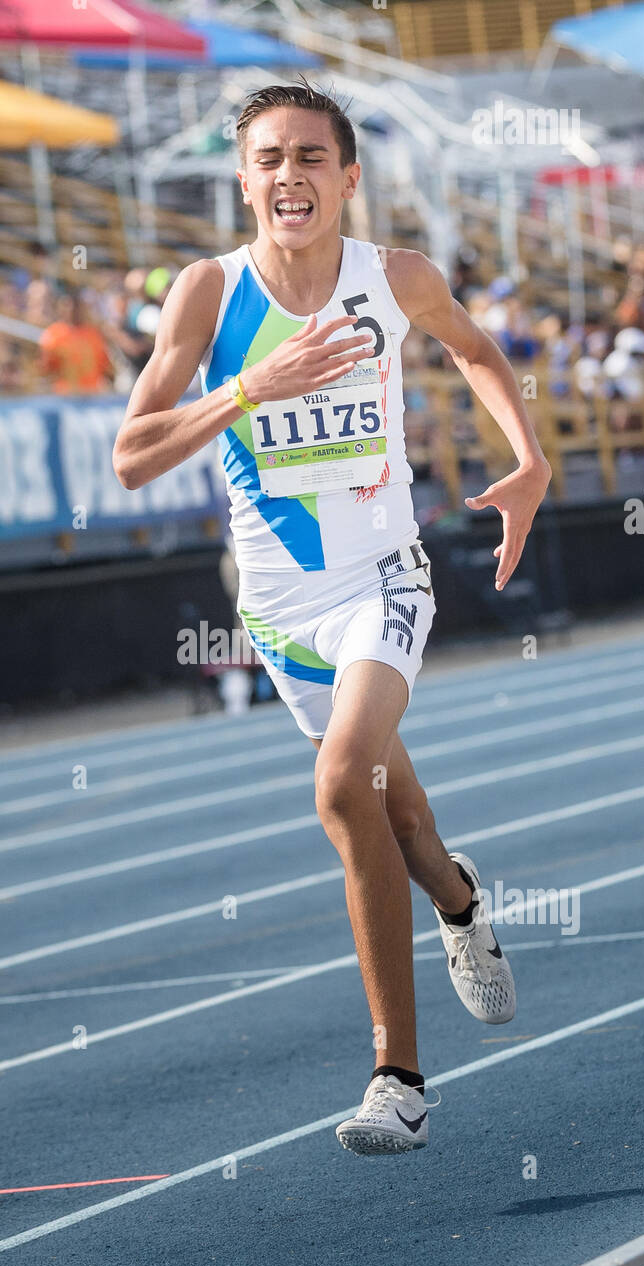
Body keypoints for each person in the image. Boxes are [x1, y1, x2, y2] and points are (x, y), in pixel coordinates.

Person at [112, 80, 551, 1158]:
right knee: (395, 815)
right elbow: (131, 457)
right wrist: (250, 388)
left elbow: (476, 351)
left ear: (347, 177)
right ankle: (460, 901)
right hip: (280, 610)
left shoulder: (394, 277)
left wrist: (531, 461)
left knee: (340, 780)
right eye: (268, 158)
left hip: (383, 579)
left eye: (311, 157)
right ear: (244, 178)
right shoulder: (206, 294)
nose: (289, 176)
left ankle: (396, 1077)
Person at [39, 290, 113, 395]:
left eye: (76, 307)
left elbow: (104, 364)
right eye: (67, 306)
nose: (72, 310)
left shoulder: (93, 334)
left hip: (91, 393)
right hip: (64, 393)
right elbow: (46, 368)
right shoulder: (53, 334)